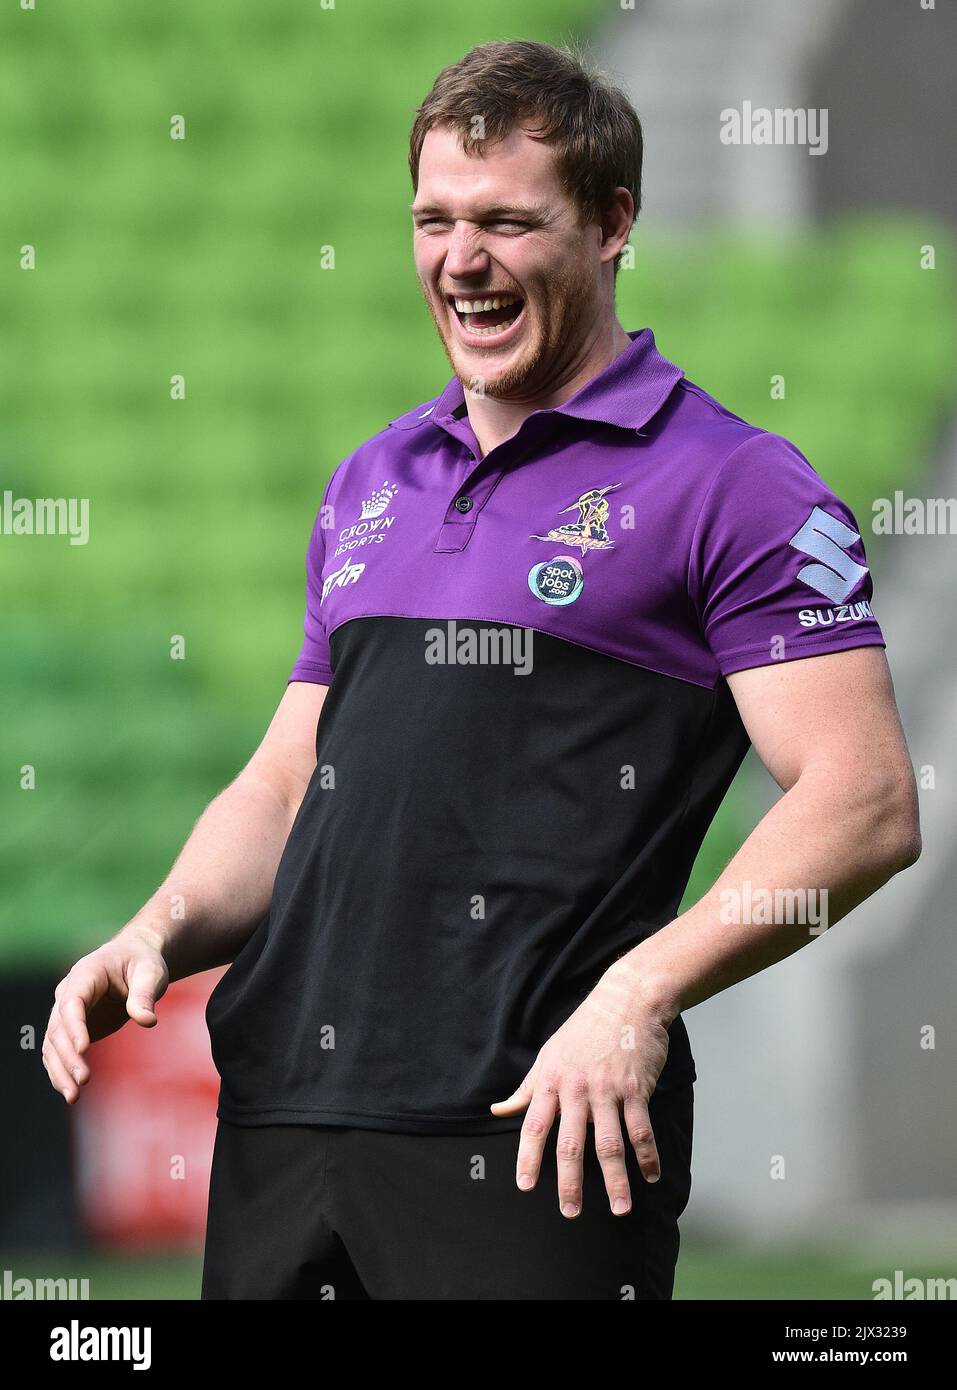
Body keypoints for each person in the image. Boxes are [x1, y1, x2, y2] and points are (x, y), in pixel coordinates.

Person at [42, 40, 921, 1301]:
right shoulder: (369, 479)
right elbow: (286, 785)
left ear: (614, 223)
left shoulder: (734, 484)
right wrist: (160, 925)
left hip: (534, 1131)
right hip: (288, 1119)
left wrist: (639, 994)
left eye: (508, 221)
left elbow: (868, 801)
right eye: (434, 220)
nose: (462, 259)